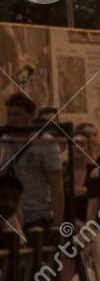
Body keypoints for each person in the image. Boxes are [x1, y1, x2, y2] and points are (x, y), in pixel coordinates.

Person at [1, 92, 64, 232]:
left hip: (37, 215)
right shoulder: (4, 141)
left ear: (30, 116)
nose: (11, 119)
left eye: (17, 115)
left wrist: (57, 225)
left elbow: (57, 186)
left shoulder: (45, 142)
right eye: (9, 114)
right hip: (10, 216)